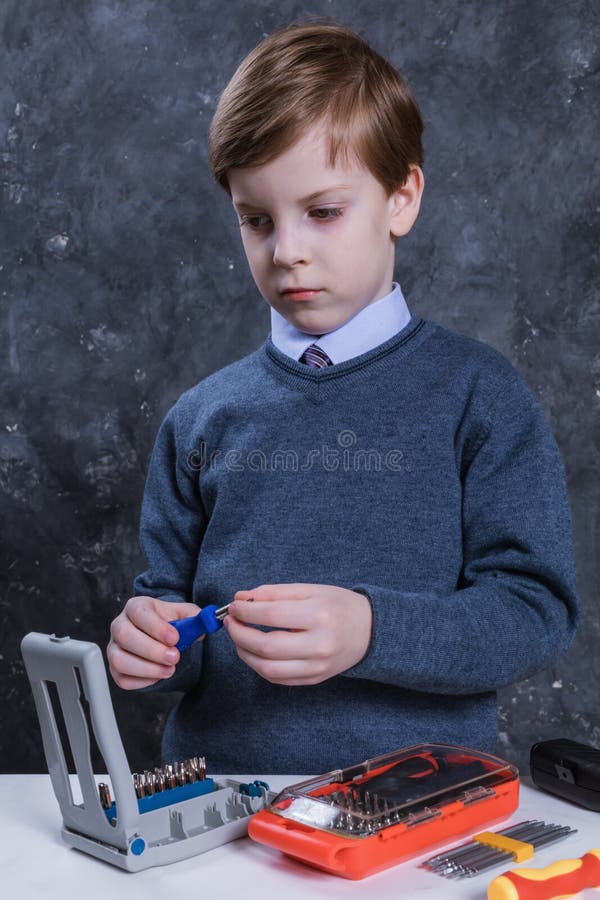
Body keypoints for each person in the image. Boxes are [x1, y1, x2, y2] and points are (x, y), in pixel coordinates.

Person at [107, 22, 580, 775]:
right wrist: (150, 641)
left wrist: (370, 629)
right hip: (223, 809)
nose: (286, 249)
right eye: (256, 220)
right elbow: (176, 620)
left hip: (421, 815)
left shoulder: (480, 398)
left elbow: (533, 613)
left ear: (402, 199)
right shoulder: (199, 418)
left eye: (322, 212)